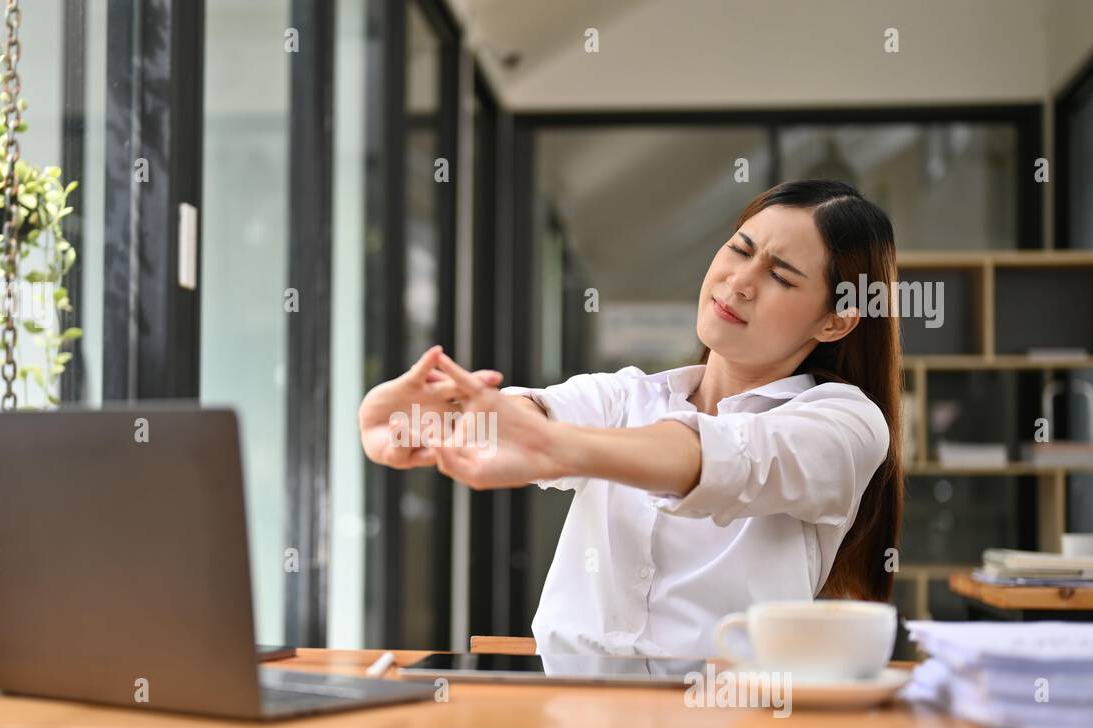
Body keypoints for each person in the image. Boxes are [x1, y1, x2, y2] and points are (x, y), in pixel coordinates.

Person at [358, 179, 903, 657]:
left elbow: (730, 458)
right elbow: (529, 415)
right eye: (740, 249)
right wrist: (423, 418)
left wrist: (558, 446)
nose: (740, 281)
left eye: (781, 276)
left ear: (835, 322)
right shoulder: (625, 397)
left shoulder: (845, 426)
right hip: (569, 714)